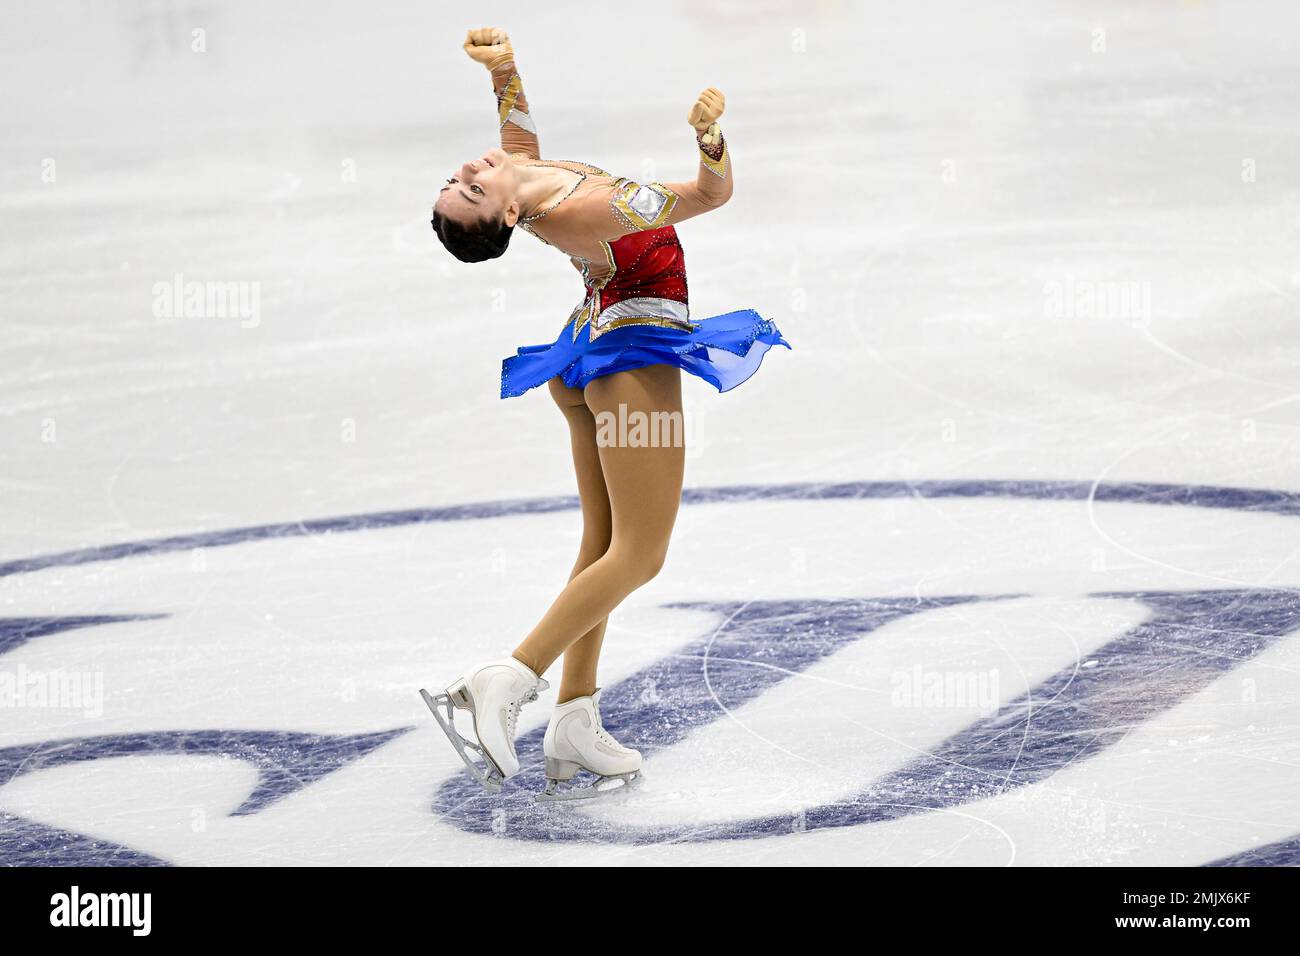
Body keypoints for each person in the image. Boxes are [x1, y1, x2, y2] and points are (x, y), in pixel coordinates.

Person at [421, 27, 789, 801]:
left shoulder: (524, 178)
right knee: (641, 555)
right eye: (473, 190)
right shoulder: (598, 205)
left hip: (591, 347)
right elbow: (713, 195)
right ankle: (510, 675)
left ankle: (574, 719)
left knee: (602, 542)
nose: (470, 171)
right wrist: (711, 139)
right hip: (632, 362)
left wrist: (505, 73)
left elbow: (519, 148)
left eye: (458, 180)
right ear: (510, 220)